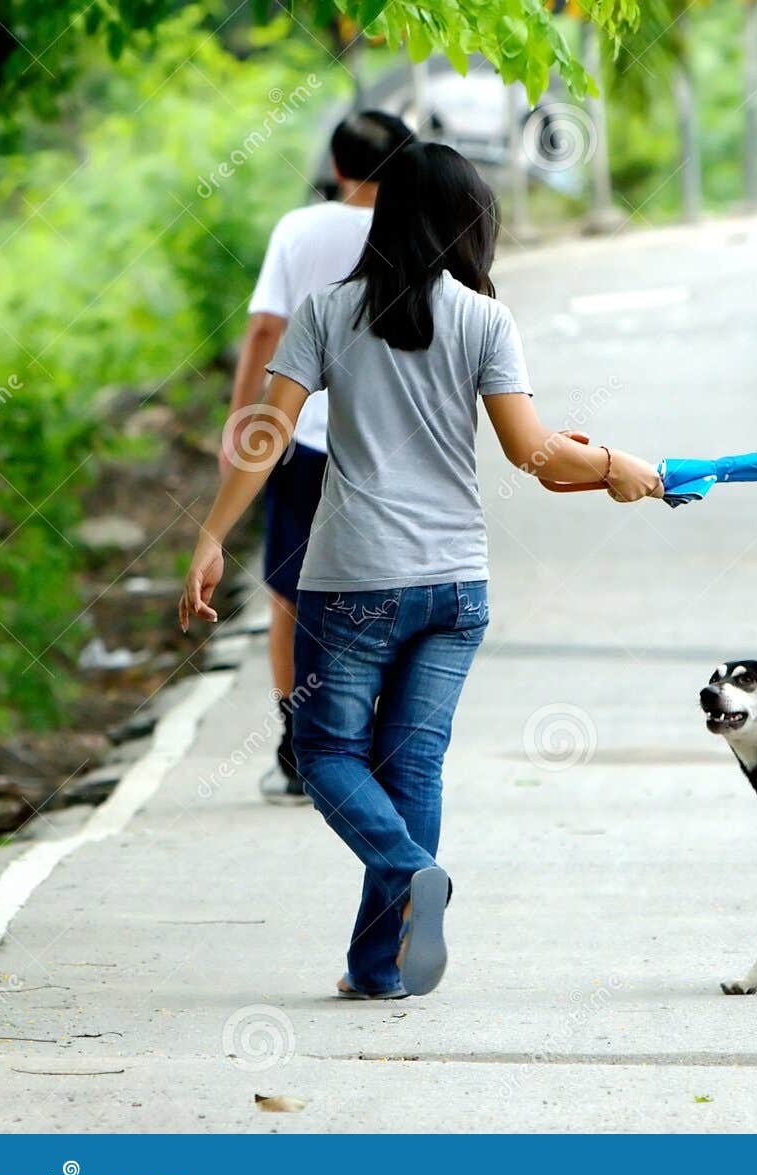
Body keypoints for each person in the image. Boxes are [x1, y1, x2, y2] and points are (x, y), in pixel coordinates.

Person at [180, 142, 663, 999]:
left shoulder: (327, 312)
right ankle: (378, 967)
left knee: (327, 748)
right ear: (469, 223)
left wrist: (214, 532)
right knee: (414, 767)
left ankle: (407, 873)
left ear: (385, 214)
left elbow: (268, 433)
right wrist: (618, 467)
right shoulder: (486, 319)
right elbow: (535, 456)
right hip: (454, 584)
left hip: (354, 575)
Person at [222, 110, 414, 803]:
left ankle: (299, 744)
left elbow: (264, 329)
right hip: (394, 443)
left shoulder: (299, 229)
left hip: (302, 434)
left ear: (337, 168)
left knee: (291, 595)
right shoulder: (417, 232)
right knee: (386, 591)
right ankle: (373, 743)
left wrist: (245, 420)